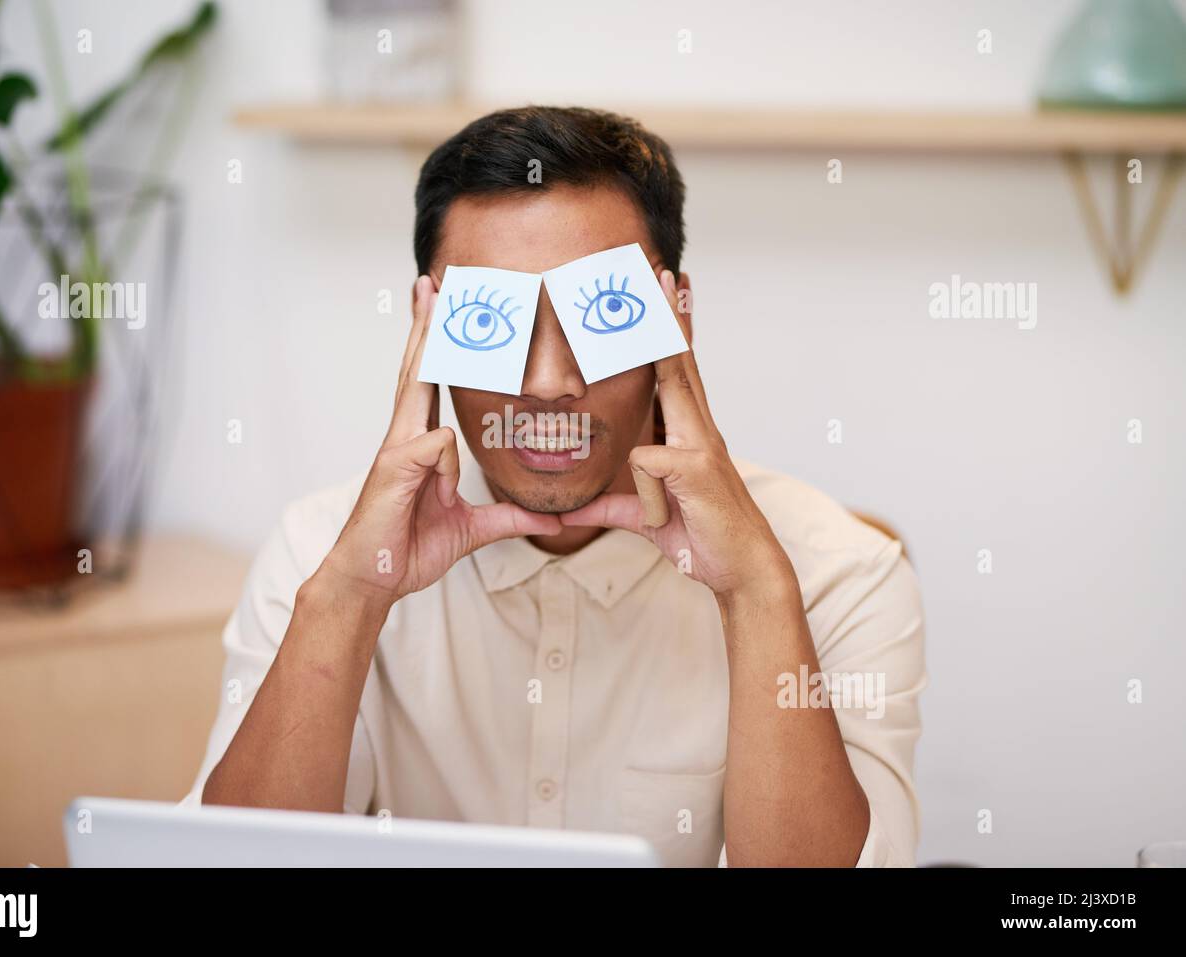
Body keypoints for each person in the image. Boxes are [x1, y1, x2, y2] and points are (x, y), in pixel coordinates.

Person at [184, 106, 927, 867]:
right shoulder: (319, 553)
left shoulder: (842, 571)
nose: (547, 384)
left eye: (604, 314)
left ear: (675, 319)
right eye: (491, 324)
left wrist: (758, 596)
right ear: (429, 328)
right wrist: (347, 597)